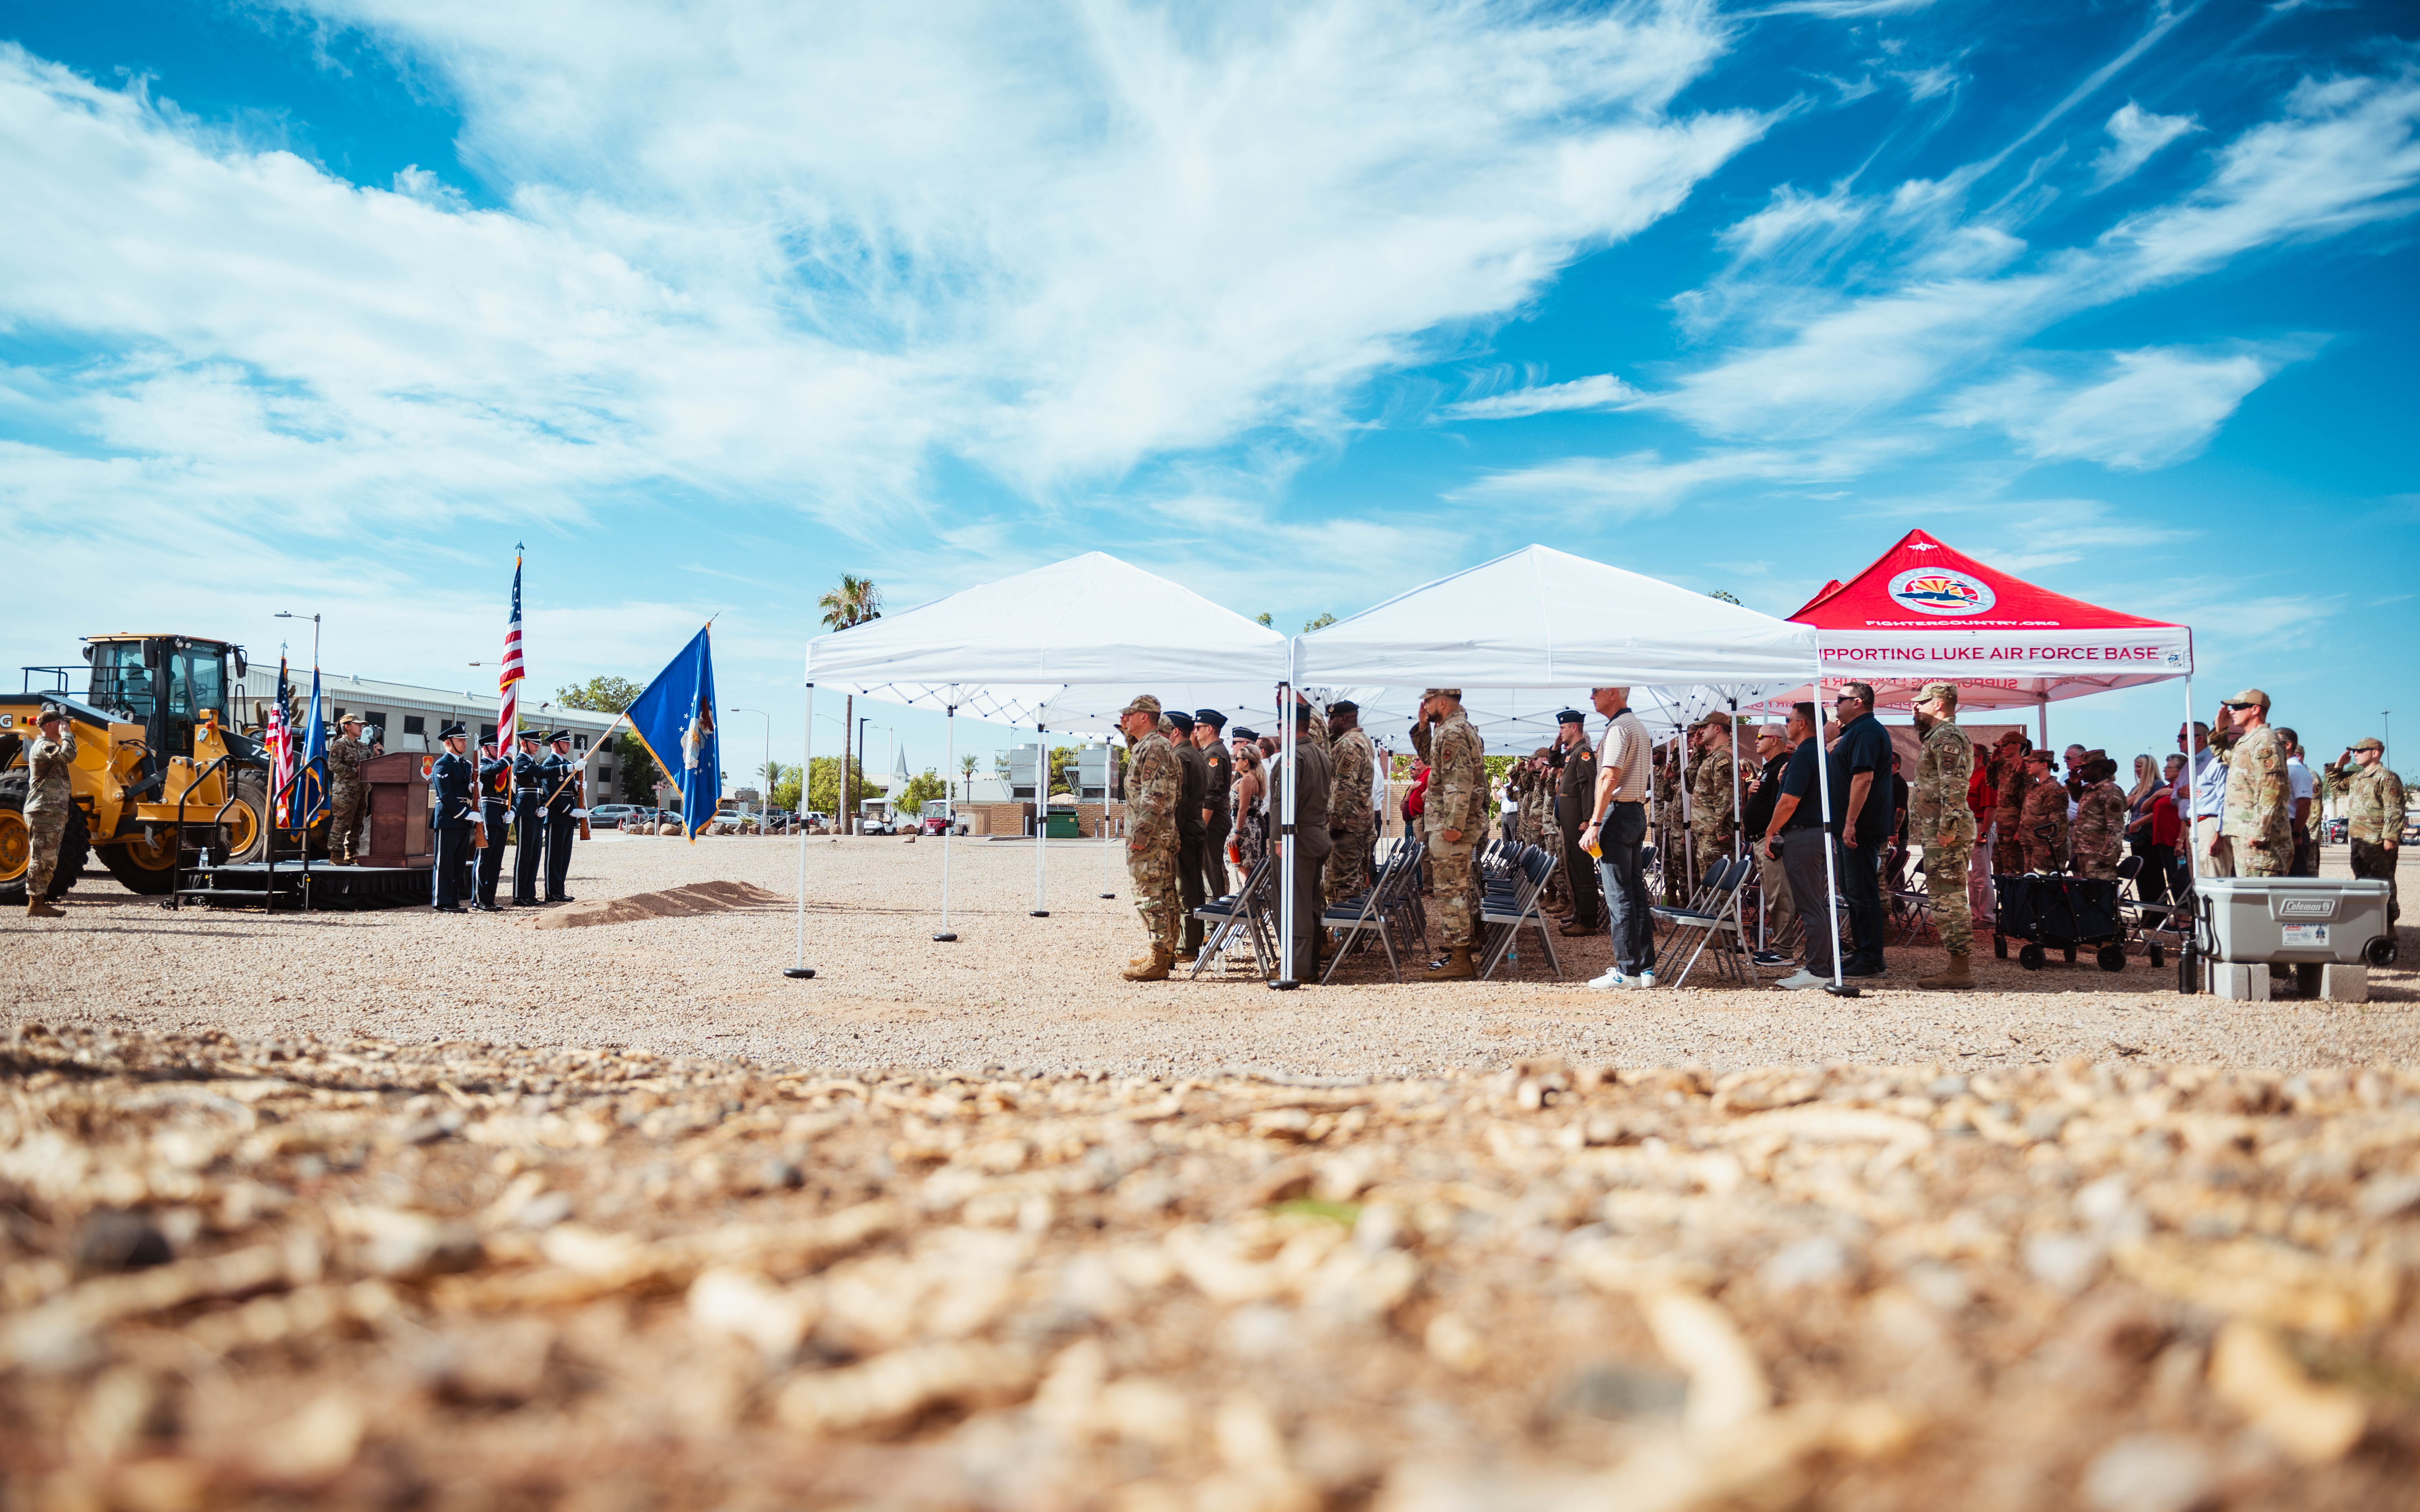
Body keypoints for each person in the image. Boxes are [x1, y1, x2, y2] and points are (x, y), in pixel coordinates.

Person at [1579, 686, 1656, 989]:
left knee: (1618, 894)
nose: (1592, 696)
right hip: (1635, 811)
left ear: (1614, 693)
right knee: (1635, 893)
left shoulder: (1619, 728)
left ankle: (1627, 971)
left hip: (1618, 812)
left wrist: (1595, 822)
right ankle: (1644, 968)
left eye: (1596, 690)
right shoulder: (1637, 725)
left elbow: (1609, 776)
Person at [1763, 702, 1840, 990]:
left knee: (1810, 905)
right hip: (1814, 834)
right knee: (1815, 904)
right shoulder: (1815, 753)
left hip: (1804, 835)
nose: (1786, 725)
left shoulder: (1806, 753)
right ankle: (1821, 965)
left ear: (1802, 724)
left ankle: (1818, 970)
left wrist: (1771, 830)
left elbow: (1789, 801)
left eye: (1789, 719)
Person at [1405, 689, 1481, 979]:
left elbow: (1459, 779)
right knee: (1451, 888)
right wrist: (1423, 728)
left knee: (1451, 889)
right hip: (1448, 822)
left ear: (1442, 702)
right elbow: (1435, 762)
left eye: (1426, 701)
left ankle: (1461, 959)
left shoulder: (1453, 731)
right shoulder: (1450, 730)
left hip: (1451, 825)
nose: (1423, 706)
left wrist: (1453, 823)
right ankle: (1458, 950)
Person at [1908, 684, 1976, 989]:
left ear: (1937, 704)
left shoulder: (1947, 736)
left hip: (1946, 832)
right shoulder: (1936, 736)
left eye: (1919, 703)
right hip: (1938, 829)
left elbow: (1955, 785)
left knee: (1949, 898)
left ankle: (1960, 969)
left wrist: (1948, 827)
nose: (1914, 708)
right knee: (1944, 896)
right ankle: (1957, 966)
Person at [1115, 695, 1184, 980]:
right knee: (1165, 893)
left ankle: (1158, 957)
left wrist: (1141, 835)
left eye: (1130, 715)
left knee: (1149, 894)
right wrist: (1126, 734)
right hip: (1162, 834)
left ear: (1145, 717)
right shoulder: (1153, 746)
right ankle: (1164, 953)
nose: (1126, 719)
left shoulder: (1154, 747)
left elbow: (1153, 795)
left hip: (1152, 837)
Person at [1270, 696, 1336, 981]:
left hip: (1295, 839)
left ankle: (1296, 969)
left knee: (1292, 906)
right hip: (1315, 835)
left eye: (1280, 724)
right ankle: (1307, 963)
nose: (1279, 730)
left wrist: (1279, 839)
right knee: (1308, 904)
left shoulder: (1293, 756)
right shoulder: (1320, 753)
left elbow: (1285, 802)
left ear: (1289, 725)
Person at [1832, 683, 1892, 978]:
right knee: (1853, 890)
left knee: (1862, 891)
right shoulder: (1852, 732)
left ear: (1858, 702)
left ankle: (1871, 957)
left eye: (1840, 699)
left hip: (1861, 827)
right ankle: (1863, 951)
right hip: (1852, 826)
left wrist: (1851, 822)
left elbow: (1864, 778)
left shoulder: (1866, 731)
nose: (1835, 704)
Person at [2326, 737, 2404, 924]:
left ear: (2375, 753)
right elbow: (2336, 784)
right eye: (2354, 751)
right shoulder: (2357, 777)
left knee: (2383, 882)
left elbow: (2395, 809)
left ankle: (2389, 922)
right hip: (2358, 840)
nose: (2355, 754)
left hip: (2377, 841)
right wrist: (2338, 765)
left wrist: (2390, 838)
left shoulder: (2387, 777)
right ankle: (2369, 921)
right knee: (2362, 881)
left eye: (2360, 751)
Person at [2214, 690, 2291, 878]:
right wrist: (2219, 731)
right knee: (2250, 899)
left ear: (2255, 709)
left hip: (2260, 840)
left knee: (2261, 900)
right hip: (2246, 834)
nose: (2232, 711)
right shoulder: (2246, 741)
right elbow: (2222, 755)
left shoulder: (2265, 740)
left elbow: (2272, 788)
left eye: (2238, 707)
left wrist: (2260, 831)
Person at [1742, 721, 1796, 962]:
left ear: (1775, 740)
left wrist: (1774, 834)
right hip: (1759, 839)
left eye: (1761, 736)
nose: (1756, 740)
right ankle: (1778, 947)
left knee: (1779, 895)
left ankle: (1783, 951)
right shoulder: (1768, 768)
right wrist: (1751, 790)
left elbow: (1783, 803)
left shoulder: (1782, 766)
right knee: (1772, 894)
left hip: (1770, 838)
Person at [21, 704, 77, 917]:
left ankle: (39, 901)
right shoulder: (43, 746)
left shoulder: (49, 745)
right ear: (52, 725)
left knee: (49, 858)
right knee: (42, 857)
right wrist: (67, 736)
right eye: (63, 723)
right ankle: (35, 903)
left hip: (51, 811)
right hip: (43, 810)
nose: (67, 726)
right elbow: (69, 756)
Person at [1554, 710, 1605, 937]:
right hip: (1570, 818)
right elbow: (1554, 762)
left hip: (1578, 820)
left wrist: (1587, 818)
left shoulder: (1583, 753)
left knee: (1582, 870)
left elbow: (1588, 786)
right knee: (1573, 867)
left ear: (1574, 728)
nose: (1560, 732)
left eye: (1563, 729)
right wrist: (1557, 743)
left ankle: (1588, 920)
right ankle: (1579, 913)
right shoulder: (1572, 753)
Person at [1167, 711, 1209, 960]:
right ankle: (1191, 941)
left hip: (1184, 830)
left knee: (1185, 890)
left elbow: (1179, 803)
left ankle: (1187, 945)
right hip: (1194, 828)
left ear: (1175, 732)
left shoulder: (1181, 757)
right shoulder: (1194, 754)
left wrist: (1175, 836)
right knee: (1193, 887)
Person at [1326, 701, 1377, 906]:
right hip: (1360, 824)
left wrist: (1335, 825)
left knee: (1342, 887)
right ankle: (1350, 935)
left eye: (1332, 719)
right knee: (1353, 883)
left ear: (1344, 719)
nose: (1329, 724)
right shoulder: (1362, 741)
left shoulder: (1349, 745)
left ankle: (1347, 937)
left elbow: (1343, 788)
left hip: (1348, 828)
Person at [430, 722, 476, 913]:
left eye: (465, 740)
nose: (464, 743)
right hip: (449, 818)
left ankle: (454, 900)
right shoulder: (442, 764)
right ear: (448, 743)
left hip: (463, 818)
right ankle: (441, 901)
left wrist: (473, 791)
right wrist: (466, 813)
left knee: (458, 863)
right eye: (460, 740)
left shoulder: (465, 765)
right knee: (445, 862)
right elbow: (446, 796)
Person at [1688, 713, 1737, 894]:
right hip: (1706, 833)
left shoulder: (1723, 757)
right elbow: (1690, 784)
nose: (1700, 732)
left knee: (1719, 891)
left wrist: (1722, 828)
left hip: (1716, 835)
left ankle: (1724, 921)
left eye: (1705, 727)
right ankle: (1714, 921)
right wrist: (1698, 750)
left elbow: (1725, 795)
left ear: (1717, 728)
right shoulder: (1712, 756)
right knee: (1710, 889)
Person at [326, 713, 376, 864]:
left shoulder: (363, 746)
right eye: (358, 724)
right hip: (345, 792)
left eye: (362, 725)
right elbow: (334, 765)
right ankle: (335, 856)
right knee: (342, 823)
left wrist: (377, 755)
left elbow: (369, 765)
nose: (361, 727)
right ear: (347, 727)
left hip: (362, 791)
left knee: (357, 824)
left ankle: (351, 854)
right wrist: (355, 772)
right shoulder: (340, 745)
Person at [540, 730, 583, 902]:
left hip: (567, 818)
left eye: (568, 742)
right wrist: (569, 810)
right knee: (554, 857)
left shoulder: (567, 763)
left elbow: (569, 790)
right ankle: (552, 893)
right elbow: (552, 793)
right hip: (557, 816)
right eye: (565, 742)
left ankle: (560, 890)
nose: (568, 745)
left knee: (564, 857)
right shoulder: (550, 764)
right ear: (555, 744)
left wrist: (578, 788)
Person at [1195, 710, 1233, 900]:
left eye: (1199, 728)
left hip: (1213, 821)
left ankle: (1212, 926)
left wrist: (1200, 828)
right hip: (1213, 820)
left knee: (1209, 872)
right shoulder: (1209, 751)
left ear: (1210, 729)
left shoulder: (1215, 754)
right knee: (1211, 869)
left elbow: (1210, 795)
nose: (1196, 731)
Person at [470, 739, 513, 911]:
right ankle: (478, 899)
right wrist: (508, 757)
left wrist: (513, 810)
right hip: (488, 814)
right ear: (485, 748)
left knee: (496, 861)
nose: (499, 750)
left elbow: (512, 791)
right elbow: (490, 771)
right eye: (496, 747)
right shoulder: (482, 764)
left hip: (502, 815)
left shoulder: (502, 768)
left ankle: (490, 898)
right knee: (484, 860)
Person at [2071, 753, 2127, 880]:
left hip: (2099, 854)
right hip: (2086, 852)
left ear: (2097, 769)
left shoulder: (2110, 791)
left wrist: (2106, 856)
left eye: (2084, 768)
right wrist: (2074, 784)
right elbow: (2076, 798)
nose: (2081, 772)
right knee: (2088, 895)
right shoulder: (2091, 789)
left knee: (2100, 893)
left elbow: (2116, 827)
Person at [2176, 721, 2224, 870]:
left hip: (2209, 824)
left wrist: (2220, 835)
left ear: (2199, 739)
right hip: (2191, 827)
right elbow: (2173, 798)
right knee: (2197, 882)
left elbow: (2226, 800)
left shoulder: (2216, 762)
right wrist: (2179, 793)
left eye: (2183, 737)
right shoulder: (2187, 767)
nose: (2178, 741)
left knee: (2213, 880)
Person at [511, 731, 547, 906]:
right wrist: (567, 768)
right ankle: (519, 895)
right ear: (524, 744)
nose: (537, 746)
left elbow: (539, 788)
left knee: (535, 854)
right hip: (525, 811)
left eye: (538, 743)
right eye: (534, 743)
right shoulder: (521, 761)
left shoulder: (531, 761)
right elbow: (540, 772)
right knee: (524, 854)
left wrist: (543, 806)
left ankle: (530, 893)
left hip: (535, 809)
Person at [2018, 748, 2068, 872]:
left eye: (2031, 762)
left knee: (2045, 885)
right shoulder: (2035, 787)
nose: (2028, 765)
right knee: (2031, 884)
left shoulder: (2052, 789)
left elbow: (2059, 822)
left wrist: (2053, 847)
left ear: (2044, 765)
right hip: (2031, 845)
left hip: (2045, 847)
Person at [2277, 728, 2319, 877]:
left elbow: (2305, 804)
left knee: (2295, 877)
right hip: (2283, 827)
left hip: (2293, 827)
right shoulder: (2284, 767)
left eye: (2276, 742)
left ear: (2288, 745)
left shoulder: (2297, 770)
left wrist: (2296, 832)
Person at [1230, 737, 1265, 878]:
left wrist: (1237, 833)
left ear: (1246, 762)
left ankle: (1246, 900)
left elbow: (1243, 809)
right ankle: (1248, 900)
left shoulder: (1247, 781)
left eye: (1237, 758)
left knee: (1243, 872)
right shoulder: (1252, 779)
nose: (1235, 761)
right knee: (1246, 871)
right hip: (1250, 827)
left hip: (1244, 829)